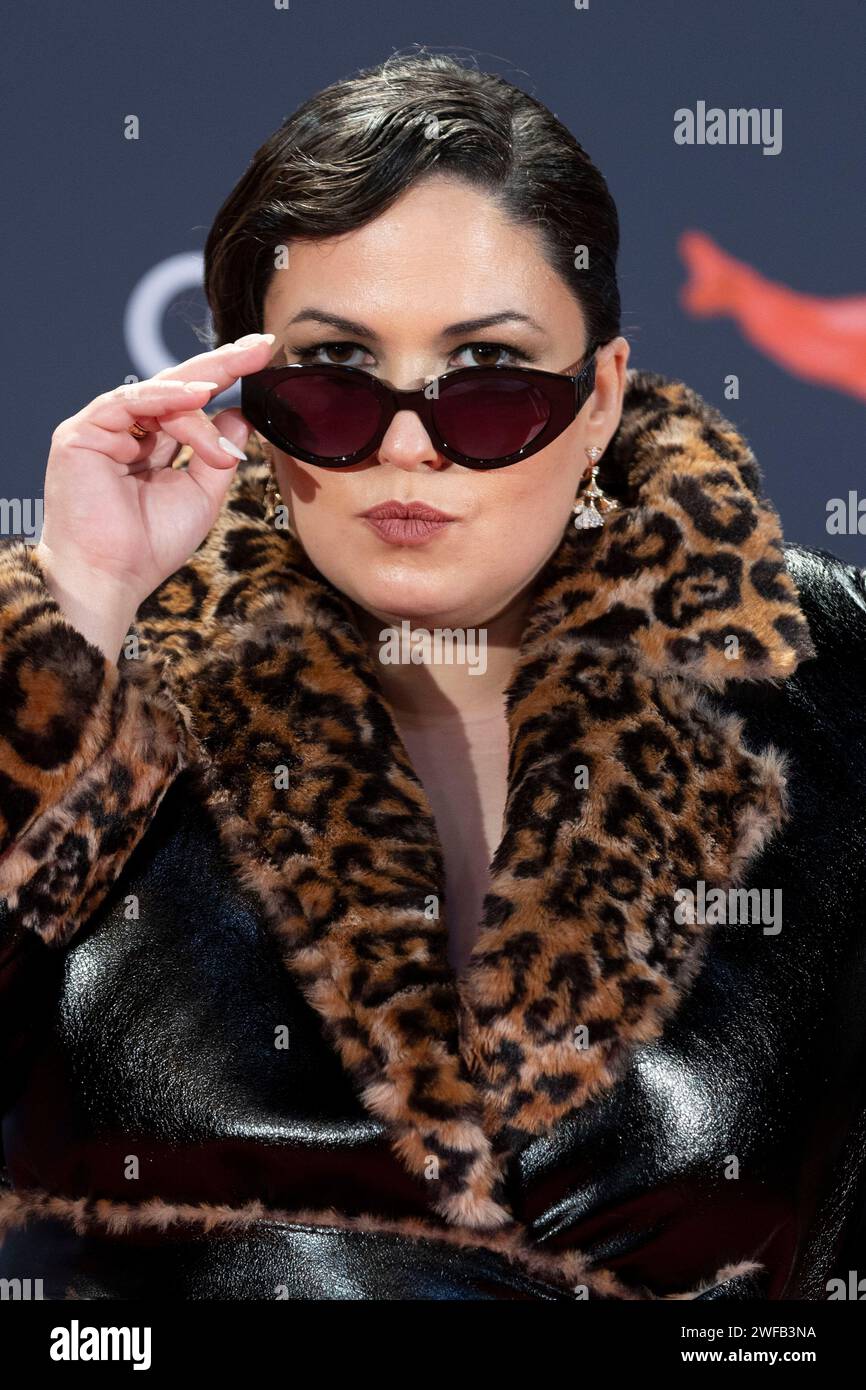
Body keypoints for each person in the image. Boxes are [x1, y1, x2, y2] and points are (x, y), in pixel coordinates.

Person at [1, 49, 864, 1303]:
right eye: (335, 385)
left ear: (600, 399)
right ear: (244, 401)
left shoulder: (822, 677)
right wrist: (76, 607)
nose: (408, 448)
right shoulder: (97, 682)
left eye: (491, 385)